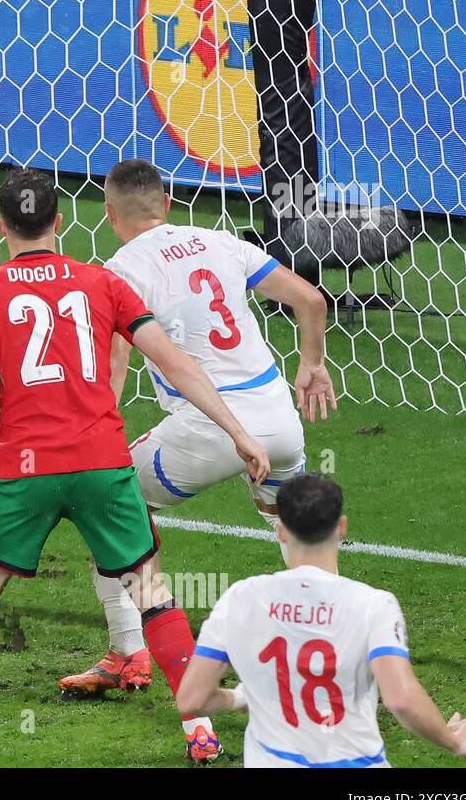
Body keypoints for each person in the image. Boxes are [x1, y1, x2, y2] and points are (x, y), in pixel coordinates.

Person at [0, 168, 271, 767]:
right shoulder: (101, 284)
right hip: (101, 461)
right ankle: (198, 730)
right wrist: (237, 429)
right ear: (59, 221)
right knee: (151, 589)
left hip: (25, 468)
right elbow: (178, 363)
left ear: (3, 225)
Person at [60, 157, 336, 697]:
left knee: (110, 504)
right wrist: (313, 363)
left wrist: (98, 436)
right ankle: (329, 649)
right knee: (295, 531)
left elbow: (116, 364)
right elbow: (310, 298)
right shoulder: (221, 241)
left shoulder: (120, 271)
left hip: (211, 427)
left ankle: (129, 651)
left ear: (109, 213)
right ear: (167, 203)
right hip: (279, 422)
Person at [176, 474, 466, 767]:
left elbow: (191, 699)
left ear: (281, 529)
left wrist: (238, 698)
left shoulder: (240, 598)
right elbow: (401, 699)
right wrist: (455, 742)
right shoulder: (373, 605)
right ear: (342, 527)